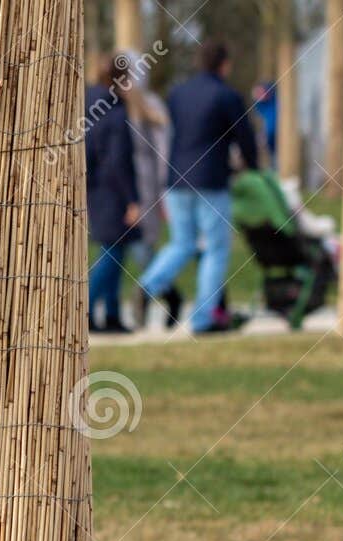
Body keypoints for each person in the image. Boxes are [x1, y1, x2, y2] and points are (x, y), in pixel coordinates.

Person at [138, 41, 260, 335]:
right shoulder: (227, 95)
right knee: (216, 248)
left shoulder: (177, 94)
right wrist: (253, 167)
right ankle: (204, 318)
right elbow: (243, 136)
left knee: (182, 242)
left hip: (177, 178)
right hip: (211, 181)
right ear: (224, 64)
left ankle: (147, 285)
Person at [85, 55, 141, 333]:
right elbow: (119, 161)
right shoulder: (116, 114)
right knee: (112, 254)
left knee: (114, 251)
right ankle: (88, 308)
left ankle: (112, 313)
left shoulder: (89, 103)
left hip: (94, 188)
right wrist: (131, 200)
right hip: (114, 193)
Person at [120, 54, 173, 329]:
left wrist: (164, 189)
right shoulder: (117, 105)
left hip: (148, 188)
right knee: (139, 247)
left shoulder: (150, 106)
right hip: (127, 187)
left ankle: (150, 293)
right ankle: (167, 293)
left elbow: (163, 152)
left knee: (145, 246)